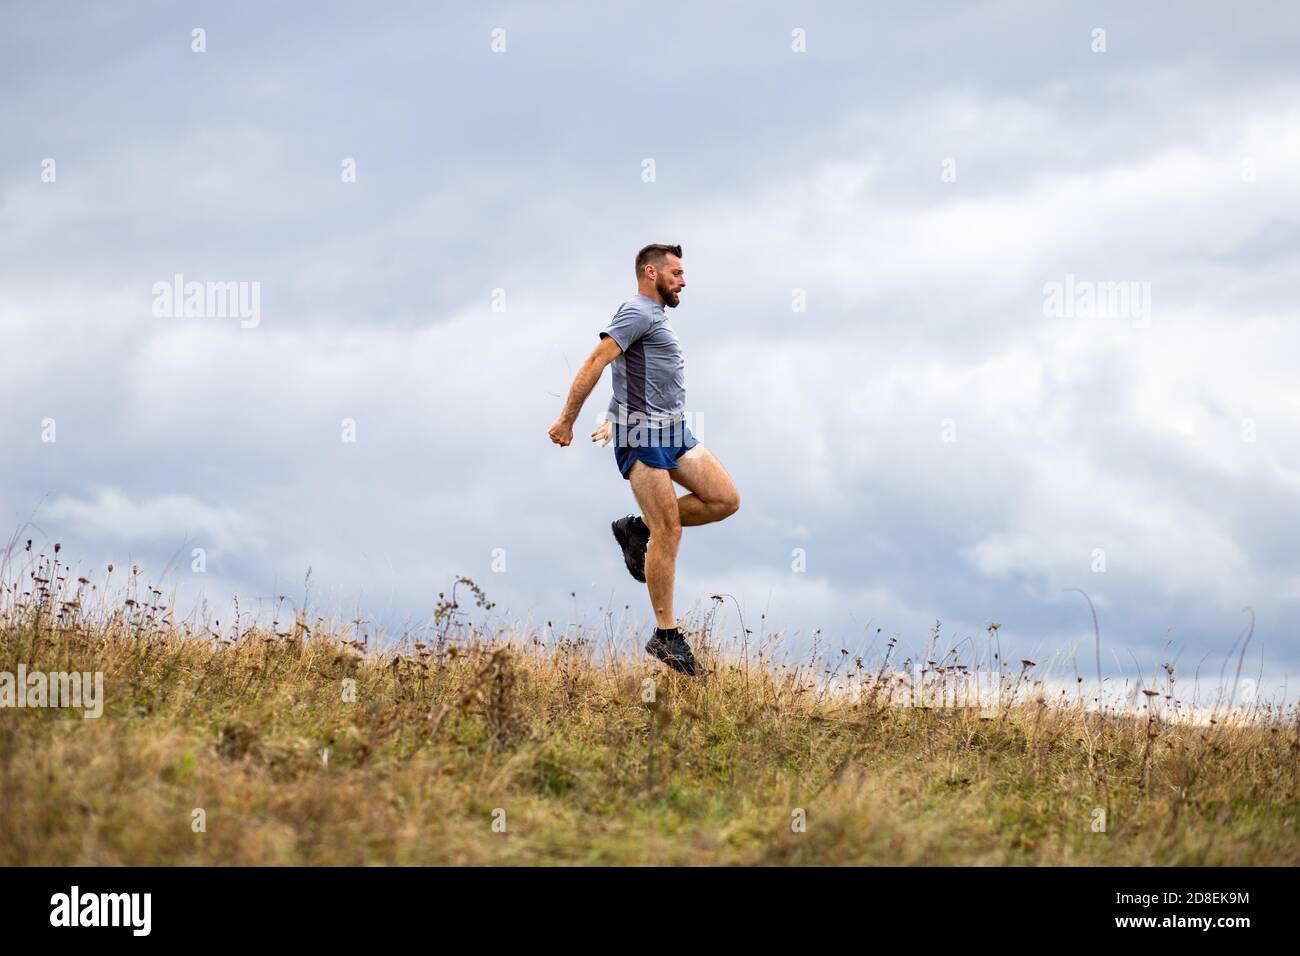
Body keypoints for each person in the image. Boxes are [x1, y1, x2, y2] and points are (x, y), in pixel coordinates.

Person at [547, 244, 740, 675]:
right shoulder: (636, 312)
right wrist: (567, 420)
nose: (684, 281)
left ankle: (636, 528)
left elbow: (635, 375)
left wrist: (613, 415)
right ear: (650, 273)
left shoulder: (654, 317)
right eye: (676, 273)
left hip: (674, 431)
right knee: (669, 530)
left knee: (725, 499)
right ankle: (666, 636)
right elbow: (597, 361)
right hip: (643, 436)